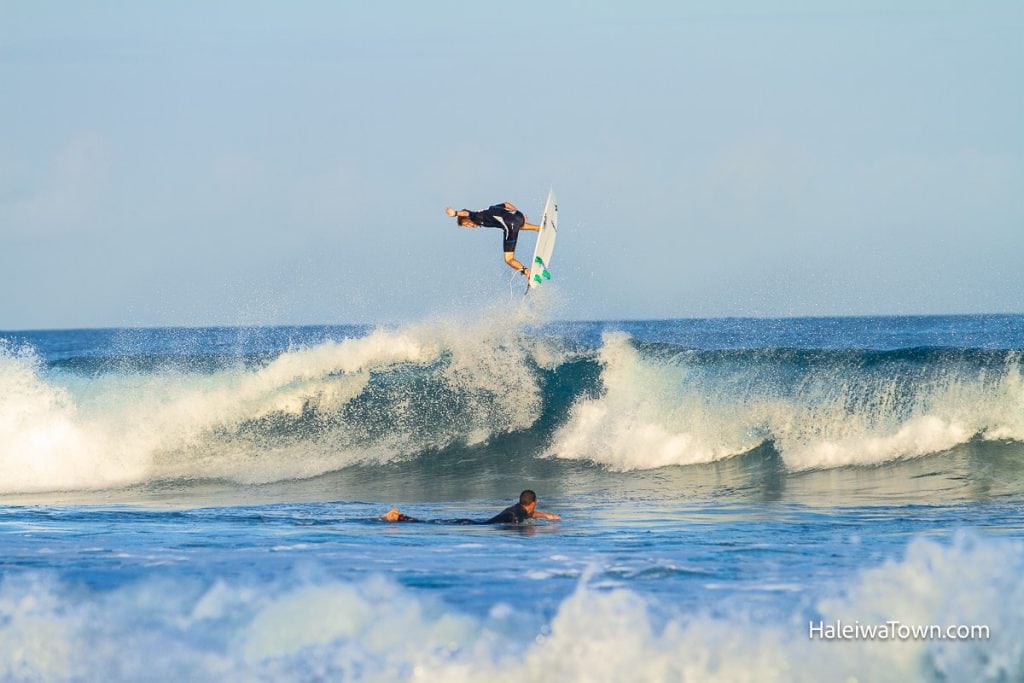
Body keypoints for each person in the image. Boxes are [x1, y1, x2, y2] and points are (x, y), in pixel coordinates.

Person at [444, 202, 540, 281]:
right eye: (467, 226)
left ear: (468, 219)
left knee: (508, 259)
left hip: (509, 226)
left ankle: (526, 272)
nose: (470, 226)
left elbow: (466, 213)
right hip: (518, 216)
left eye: (467, 224)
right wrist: (517, 214)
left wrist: (455, 213)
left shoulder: (475, 216)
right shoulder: (489, 209)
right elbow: (506, 204)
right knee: (515, 224)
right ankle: (538, 228)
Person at [381, 489, 560, 525]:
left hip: (472, 522)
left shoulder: (518, 508)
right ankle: (399, 517)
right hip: (475, 524)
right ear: (533, 503)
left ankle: (400, 517)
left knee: (433, 522)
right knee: (429, 524)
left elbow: (528, 514)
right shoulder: (516, 515)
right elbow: (521, 519)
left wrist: (547, 516)